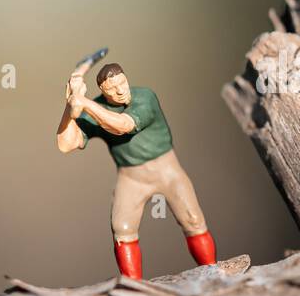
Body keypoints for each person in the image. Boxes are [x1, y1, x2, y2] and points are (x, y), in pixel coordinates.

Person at [56, 61, 216, 280]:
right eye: (112, 88)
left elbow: (123, 126)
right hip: (131, 177)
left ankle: (212, 271)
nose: (121, 90)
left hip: (167, 169)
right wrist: (70, 105)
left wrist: (84, 103)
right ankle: (133, 285)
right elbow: (65, 144)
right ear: (103, 91)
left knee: (193, 219)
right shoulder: (92, 108)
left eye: (122, 82)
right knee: (122, 229)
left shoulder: (144, 97)